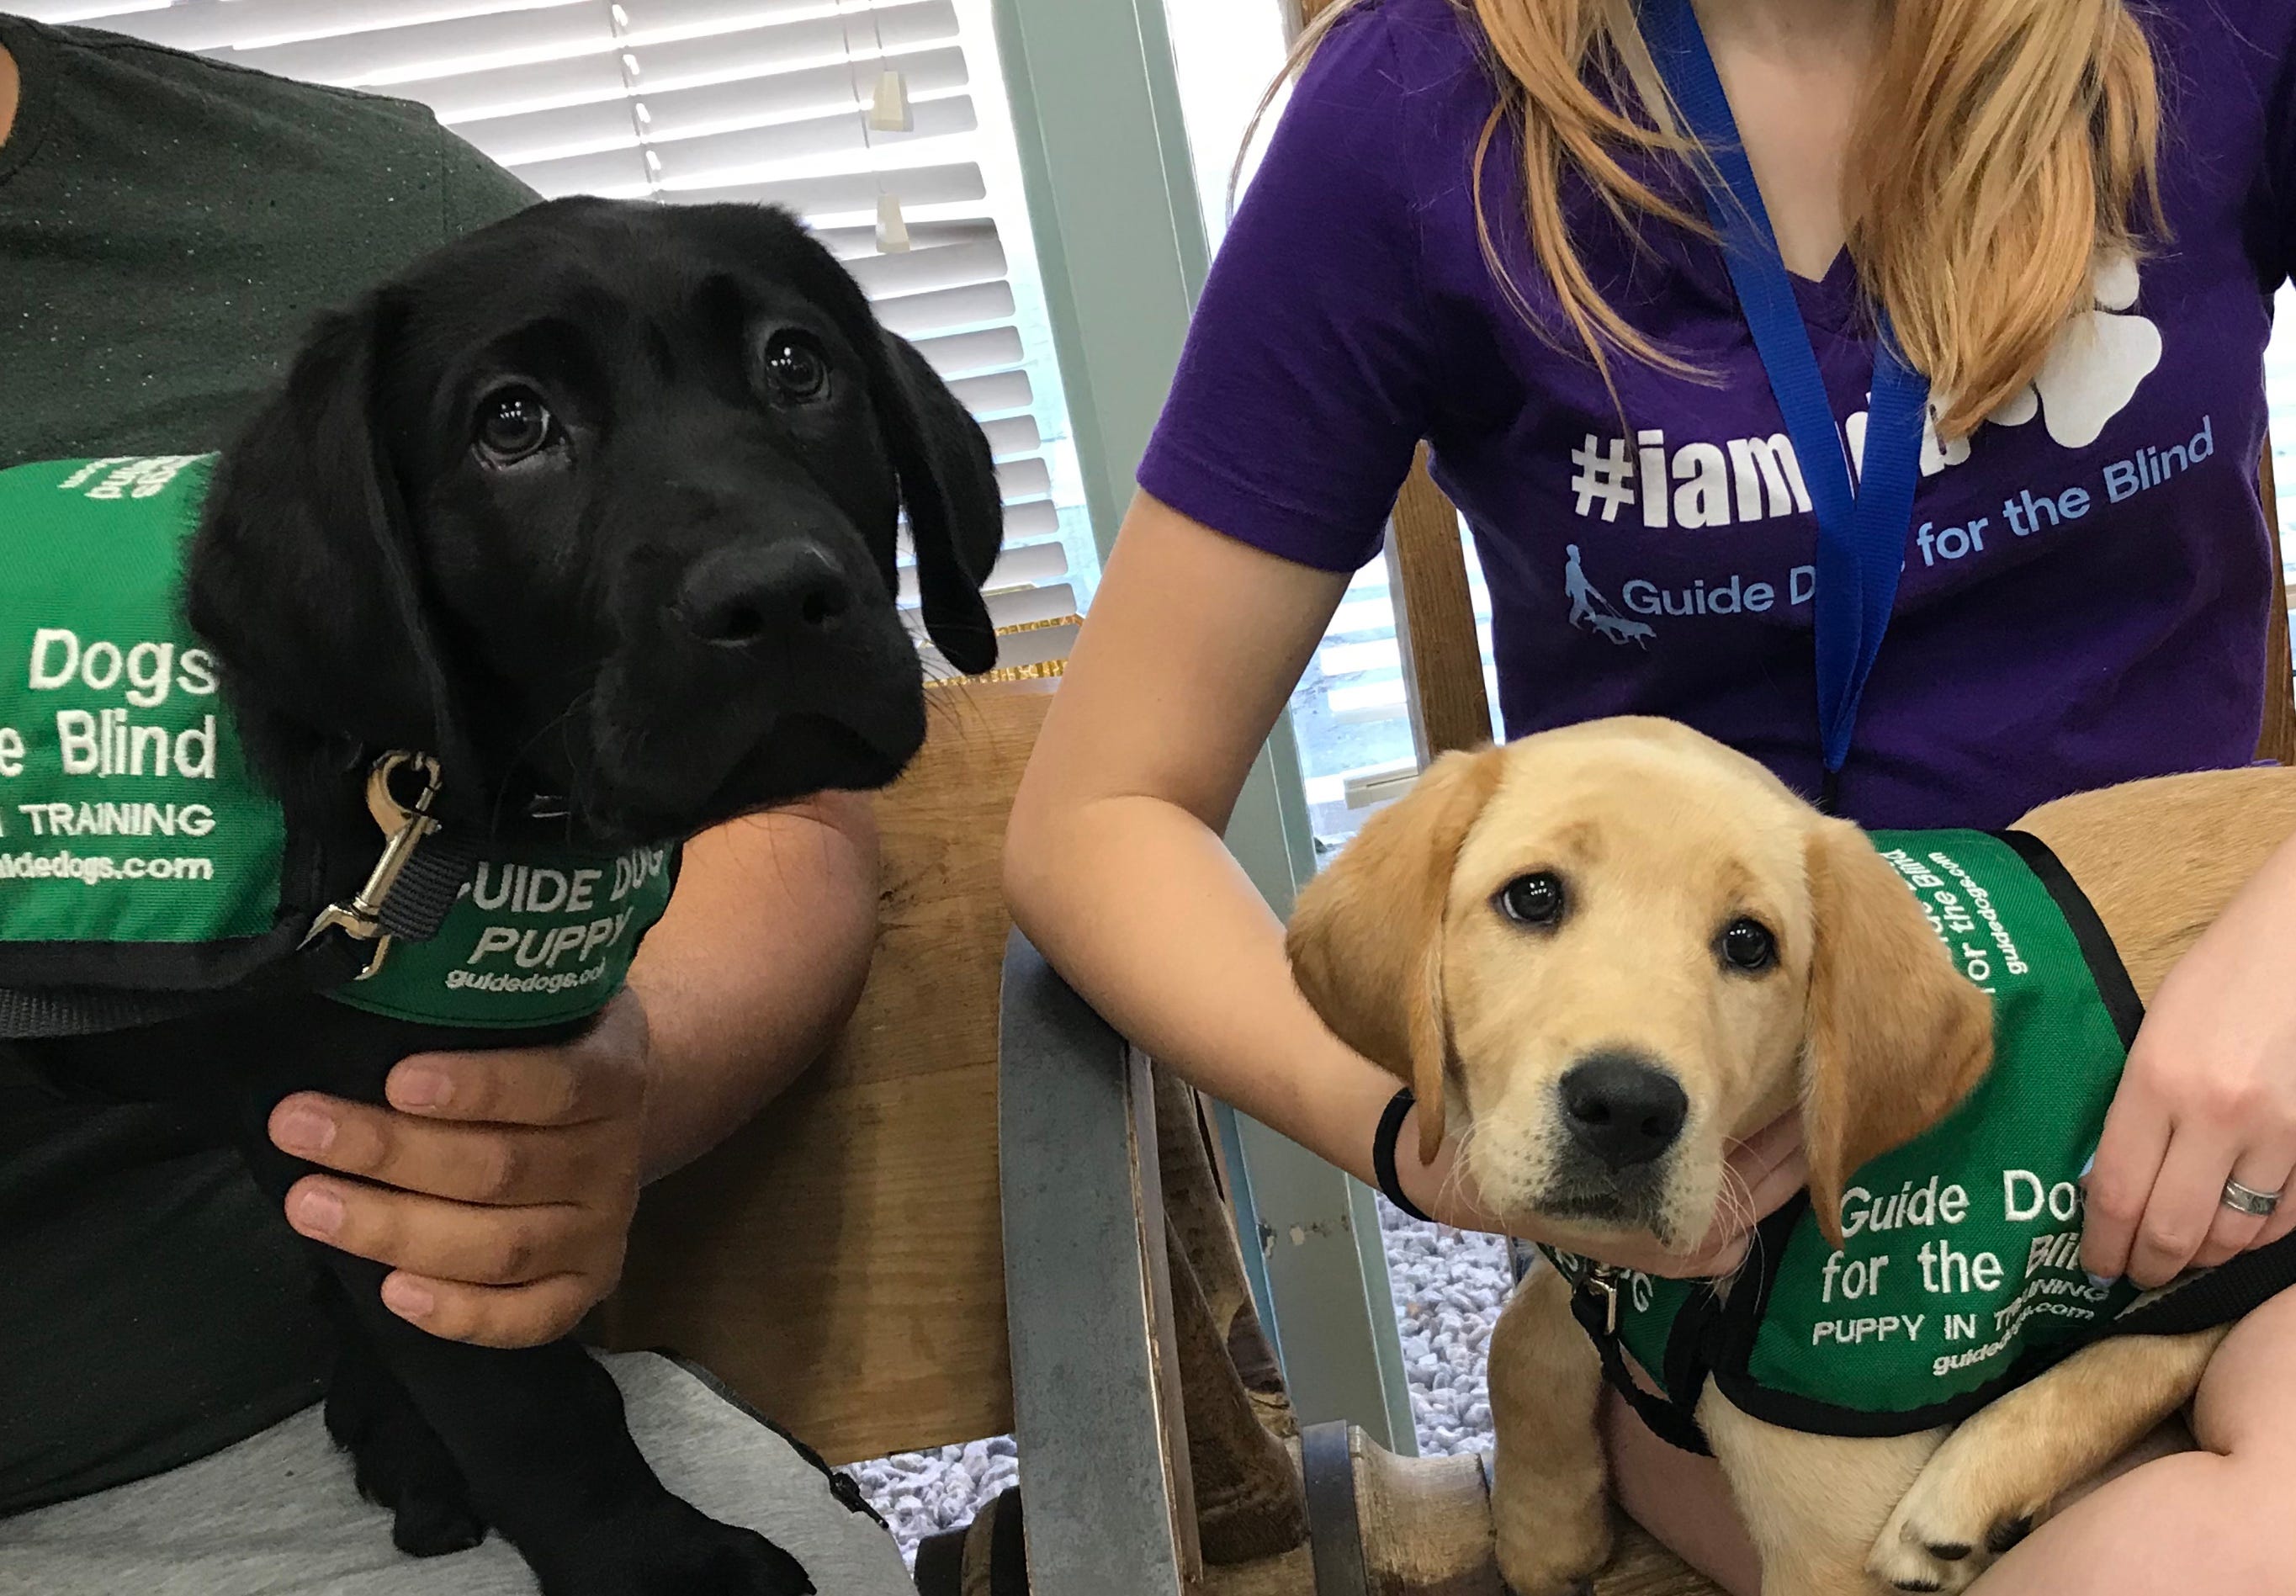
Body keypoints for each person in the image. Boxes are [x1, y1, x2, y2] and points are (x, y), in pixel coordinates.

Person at [1004, 0, 2296, 1588]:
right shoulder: (1420, 106)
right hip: (1746, 1222)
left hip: (2213, 1066)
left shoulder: (2223, 35)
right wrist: (1422, 1133)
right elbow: (1097, 816)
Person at [0, 13, 912, 1590]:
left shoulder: (361, 220)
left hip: (241, 1412)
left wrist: (614, 1090)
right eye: (516, 425)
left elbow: (782, 841)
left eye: (792, 369)